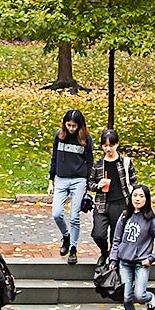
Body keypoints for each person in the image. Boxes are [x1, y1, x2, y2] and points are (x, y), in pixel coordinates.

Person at [109, 183, 155, 310]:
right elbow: (116, 239)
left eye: (141, 196)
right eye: (135, 195)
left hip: (141, 263)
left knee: (139, 295)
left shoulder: (152, 220)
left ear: (147, 199)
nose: (138, 199)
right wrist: (113, 259)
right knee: (127, 295)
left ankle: (150, 298)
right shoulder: (124, 216)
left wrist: (151, 259)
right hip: (124, 262)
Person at [88, 129, 138, 277]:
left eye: (111, 145)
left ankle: (112, 259)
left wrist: (133, 200)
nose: (108, 149)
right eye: (104, 145)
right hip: (102, 204)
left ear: (117, 144)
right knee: (98, 234)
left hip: (121, 204)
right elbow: (89, 183)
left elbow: (134, 182)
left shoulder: (125, 162)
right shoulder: (98, 164)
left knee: (116, 236)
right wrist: (98, 185)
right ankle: (104, 252)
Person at [47, 107, 93, 264]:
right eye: (69, 125)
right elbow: (54, 157)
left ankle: (73, 248)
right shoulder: (59, 137)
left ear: (80, 126)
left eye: (74, 126)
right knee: (56, 213)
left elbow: (90, 162)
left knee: (74, 216)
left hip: (79, 180)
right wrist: (50, 180)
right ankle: (66, 236)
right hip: (61, 178)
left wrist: (87, 184)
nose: (71, 129)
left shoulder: (86, 139)